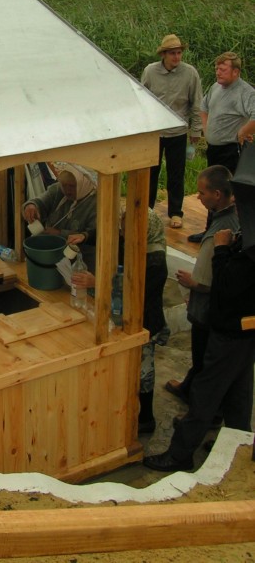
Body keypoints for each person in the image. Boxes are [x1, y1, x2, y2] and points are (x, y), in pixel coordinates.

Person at [144, 146, 255, 473]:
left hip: (231, 327)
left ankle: (178, 455)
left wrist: (222, 250)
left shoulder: (248, 249)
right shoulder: (246, 232)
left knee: (205, 392)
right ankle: (235, 445)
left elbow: (227, 284)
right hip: (245, 328)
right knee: (238, 390)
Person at [71, 208, 168, 433]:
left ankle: (145, 418)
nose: (122, 230)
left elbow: (135, 289)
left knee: (142, 372)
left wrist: (98, 282)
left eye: (126, 225)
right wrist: (85, 236)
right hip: (123, 314)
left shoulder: (154, 259)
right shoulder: (132, 238)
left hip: (144, 321)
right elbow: (108, 233)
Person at [165, 166, 239, 403]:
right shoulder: (234, 217)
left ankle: (202, 406)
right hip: (212, 304)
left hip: (210, 309)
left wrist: (192, 283)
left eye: (202, 193)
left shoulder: (224, 229)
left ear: (217, 194)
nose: (197, 197)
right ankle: (190, 387)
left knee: (204, 357)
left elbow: (214, 280)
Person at [188, 52, 255, 243]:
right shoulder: (216, 87)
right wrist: (207, 128)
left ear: (235, 72)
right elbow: (204, 107)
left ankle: (234, 235)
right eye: (216, 68)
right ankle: (210, 230)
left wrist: (243, 131)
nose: (218, 72)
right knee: (210, 191)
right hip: (214, 149)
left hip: (231, 150)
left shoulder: (245, 92)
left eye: (222, 69)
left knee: (228, 194)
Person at [141, 34, 202, 229]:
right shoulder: (151, 71)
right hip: (155, 132)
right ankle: (146, 210)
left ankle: (176, 212)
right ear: (164, 55)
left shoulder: (190, 73)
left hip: (178, 131)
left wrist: (196, 130)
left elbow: (196, 104)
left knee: (176, 173)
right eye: (173, 53)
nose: (177, 57)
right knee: (151, 172)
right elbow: (142, 99)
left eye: (179, 53)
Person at [22, 164, 97, 269]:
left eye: (72, 186)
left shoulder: (95, 203)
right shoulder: (58, 190)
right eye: (64, 185)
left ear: (82, 184)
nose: (67, 190)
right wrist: (32, 206)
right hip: (51, 257)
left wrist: (59, 233)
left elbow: (93, 235)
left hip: (81, 264)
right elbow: (42, 200)